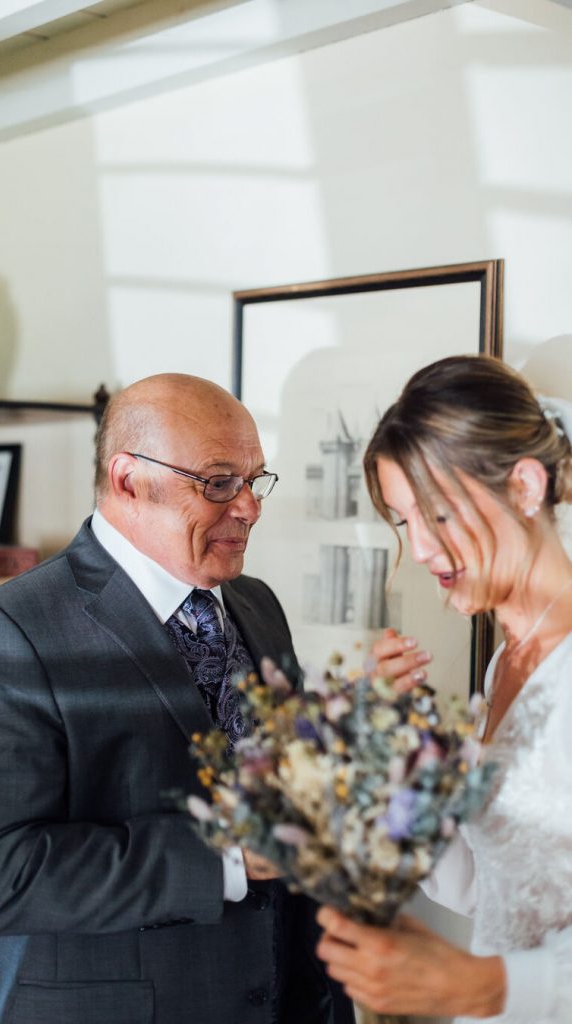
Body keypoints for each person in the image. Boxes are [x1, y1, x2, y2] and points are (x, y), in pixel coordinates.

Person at [0, 373, 352, 1024]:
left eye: (255, 480)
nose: (249, 507)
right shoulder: (9, 629)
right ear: (129, 478)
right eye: (219, 482)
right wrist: (228, 856)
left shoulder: (257, 605)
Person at [316, 354, 572, 1023]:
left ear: (522, 486)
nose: (422, 550)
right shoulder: (505, 664)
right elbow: (490, 889)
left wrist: (482, 988)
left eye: (438, 516)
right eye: (404, 522)